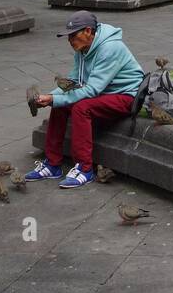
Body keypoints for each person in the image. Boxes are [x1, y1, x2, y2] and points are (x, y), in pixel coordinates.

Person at [25, 11, 144, 187]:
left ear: (88, 31)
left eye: (73, 35)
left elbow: (92, 89)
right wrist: (49, 97)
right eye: (68, 36)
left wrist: (53, 99)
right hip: (105, 93)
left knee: (81, 107)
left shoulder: (110, 48)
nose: (70, 40)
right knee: (60, 105)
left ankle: (85, 169)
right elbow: (74, 82)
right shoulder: (83, 49)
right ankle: (52, 164)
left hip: (126, 96)